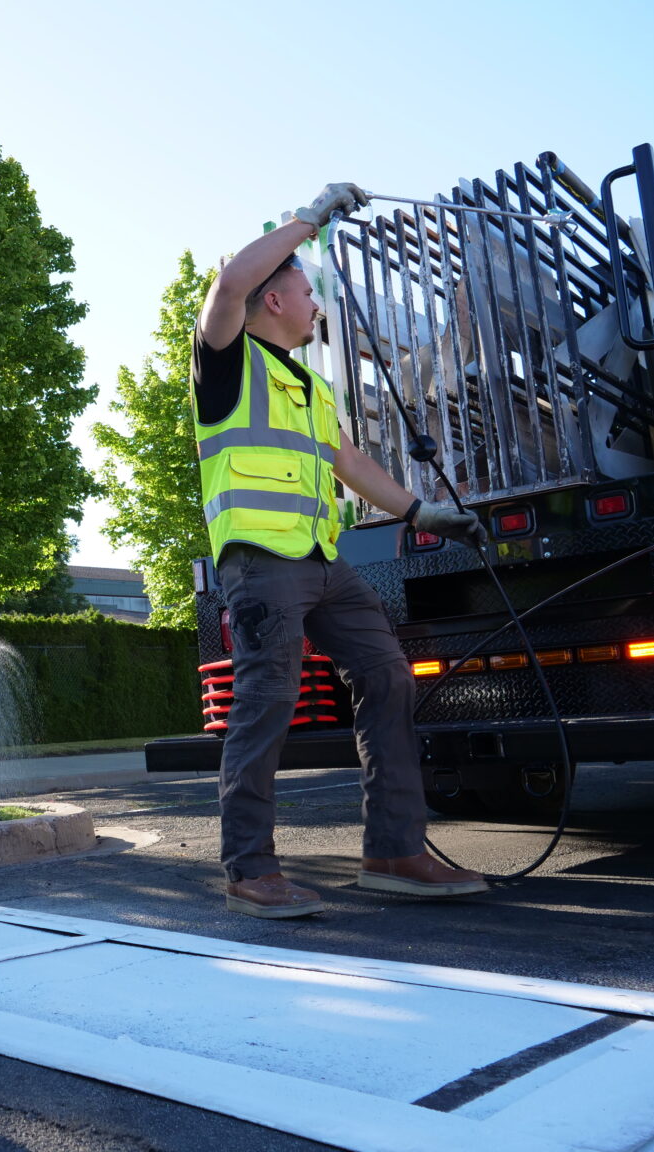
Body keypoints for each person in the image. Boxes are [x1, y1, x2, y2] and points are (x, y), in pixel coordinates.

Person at [192, 183, 490, 919]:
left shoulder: (310, 388)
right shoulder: (225, 361)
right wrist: (310, 219)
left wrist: (426, 513)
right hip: (259, 563)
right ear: (273, 303)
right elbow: (230, 279)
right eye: (305, 290)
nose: (317, 306)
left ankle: (393, 851)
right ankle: (250, 870)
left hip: (323, 563)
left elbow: (350, 465)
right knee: (268, 699)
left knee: (389, 675)